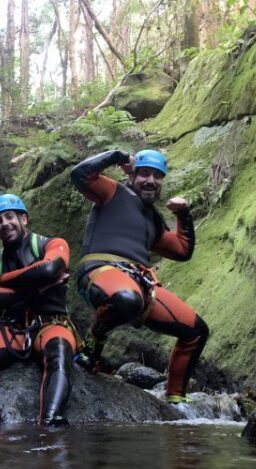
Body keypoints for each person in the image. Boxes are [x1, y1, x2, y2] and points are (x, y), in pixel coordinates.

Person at [70, 149, 209, 404]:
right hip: (100, 271)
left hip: (139, 282)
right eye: (144, 173)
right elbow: (80, 175)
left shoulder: (153, 220)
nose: (151, 180)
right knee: (127, 299)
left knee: (196, 331)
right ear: (132, 174)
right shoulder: (112, 192)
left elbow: (181, 250)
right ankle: (92, 345)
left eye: (157, 176)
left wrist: (183, 214)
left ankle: (176, 400)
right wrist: (118, 156)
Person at [0, 194, 76, 426]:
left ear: (24, 219)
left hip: (51, 323)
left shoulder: (52, 244)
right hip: (11, 328)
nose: (4, 223)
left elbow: (49, 268)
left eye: (9, 217)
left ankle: (50, 419)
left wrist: (6, 280)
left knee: (59, 350)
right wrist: (36, 290)